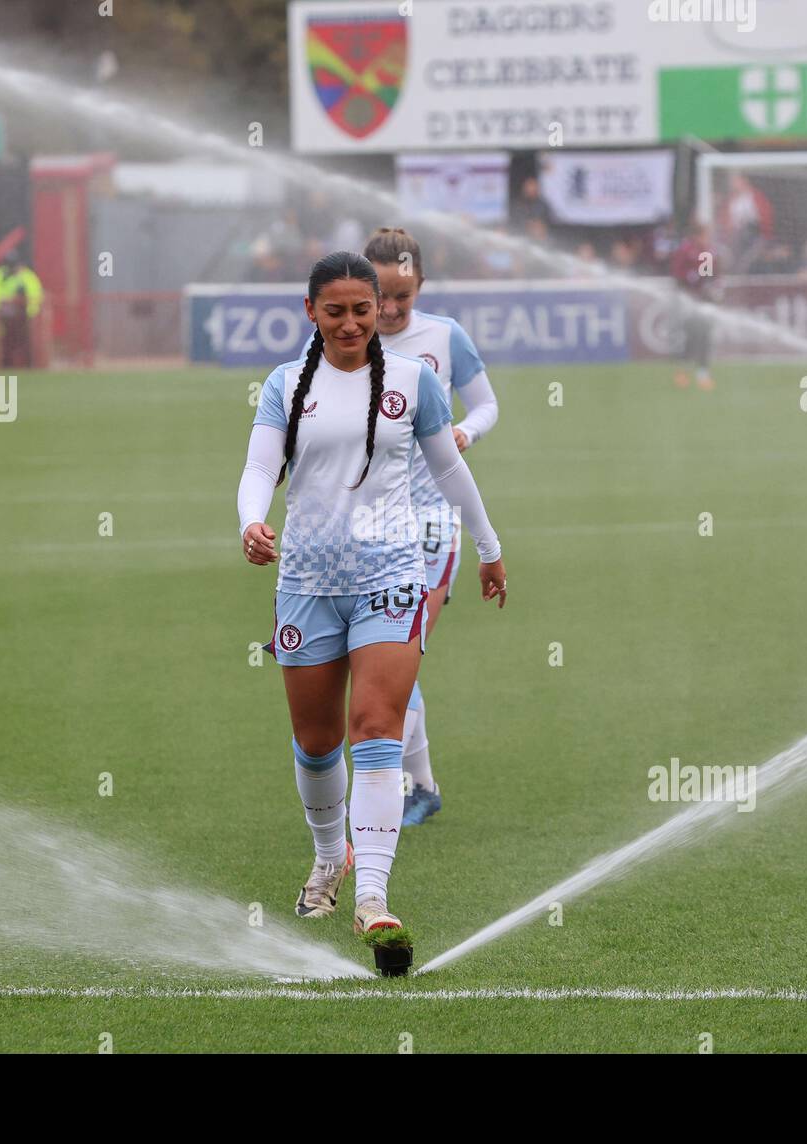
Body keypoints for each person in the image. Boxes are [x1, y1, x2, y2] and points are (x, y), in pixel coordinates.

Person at [236, 251, 506, 936]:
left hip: (390, 576)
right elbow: (261, 466)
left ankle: (374, 900)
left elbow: (449, 471)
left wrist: (489, 547)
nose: (354, 322)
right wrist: (250, 521)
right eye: (337, 311)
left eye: (365, 308)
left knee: (377, 731)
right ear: (311, 313)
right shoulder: (287, 384)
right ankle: (331, 859)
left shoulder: (414, 382)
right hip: (305, 581)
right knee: (317, 741)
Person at [362, 227, 500, 826]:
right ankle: (422, 786)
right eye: (380, 296)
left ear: (420, 286)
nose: (390, 310)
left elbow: (488, 403)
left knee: (400, 650)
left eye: (403, 296)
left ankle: (386, 788)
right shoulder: (347, 336)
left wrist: (466, 432)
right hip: (366, 520)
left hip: (432, 518)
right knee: (382, 657)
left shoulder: (445, 338)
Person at [669, 221, 718, 390]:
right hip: (687, 300)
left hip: (703, 302)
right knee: (692, 336)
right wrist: (691, 278)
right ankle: (684, 371)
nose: (707, 238)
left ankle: (702, 373)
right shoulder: (685, 250)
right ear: (697, 236)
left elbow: (710, 276)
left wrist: (714, 287)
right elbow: (678, 274)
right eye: (705, 235)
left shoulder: (708, 252)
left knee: (704, 336)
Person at [0, 249, 43, 368]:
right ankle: (5, 365)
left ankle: (27, 366)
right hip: (3, 316)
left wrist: (30, 313)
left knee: (24, 342)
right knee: (4, 342)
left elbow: (35, 294)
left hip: (22, 317)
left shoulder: (26, 276)